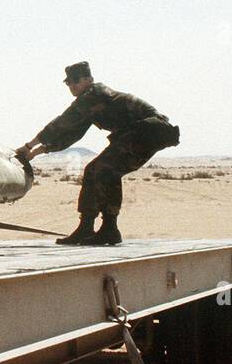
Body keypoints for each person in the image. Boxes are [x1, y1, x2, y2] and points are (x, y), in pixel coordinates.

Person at [17, 61, 180, 246]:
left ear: (89, 80)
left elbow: (63, 122)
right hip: (143, 135)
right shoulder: (90, 103)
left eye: (75, 81)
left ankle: (88, 228)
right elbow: (73, 133)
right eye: (68, 82)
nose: (72, 86)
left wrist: (28, 146)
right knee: (107, 172)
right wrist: (39, 151)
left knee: (97, 169)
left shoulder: (94, 95)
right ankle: (108, 229)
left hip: (147, 131)